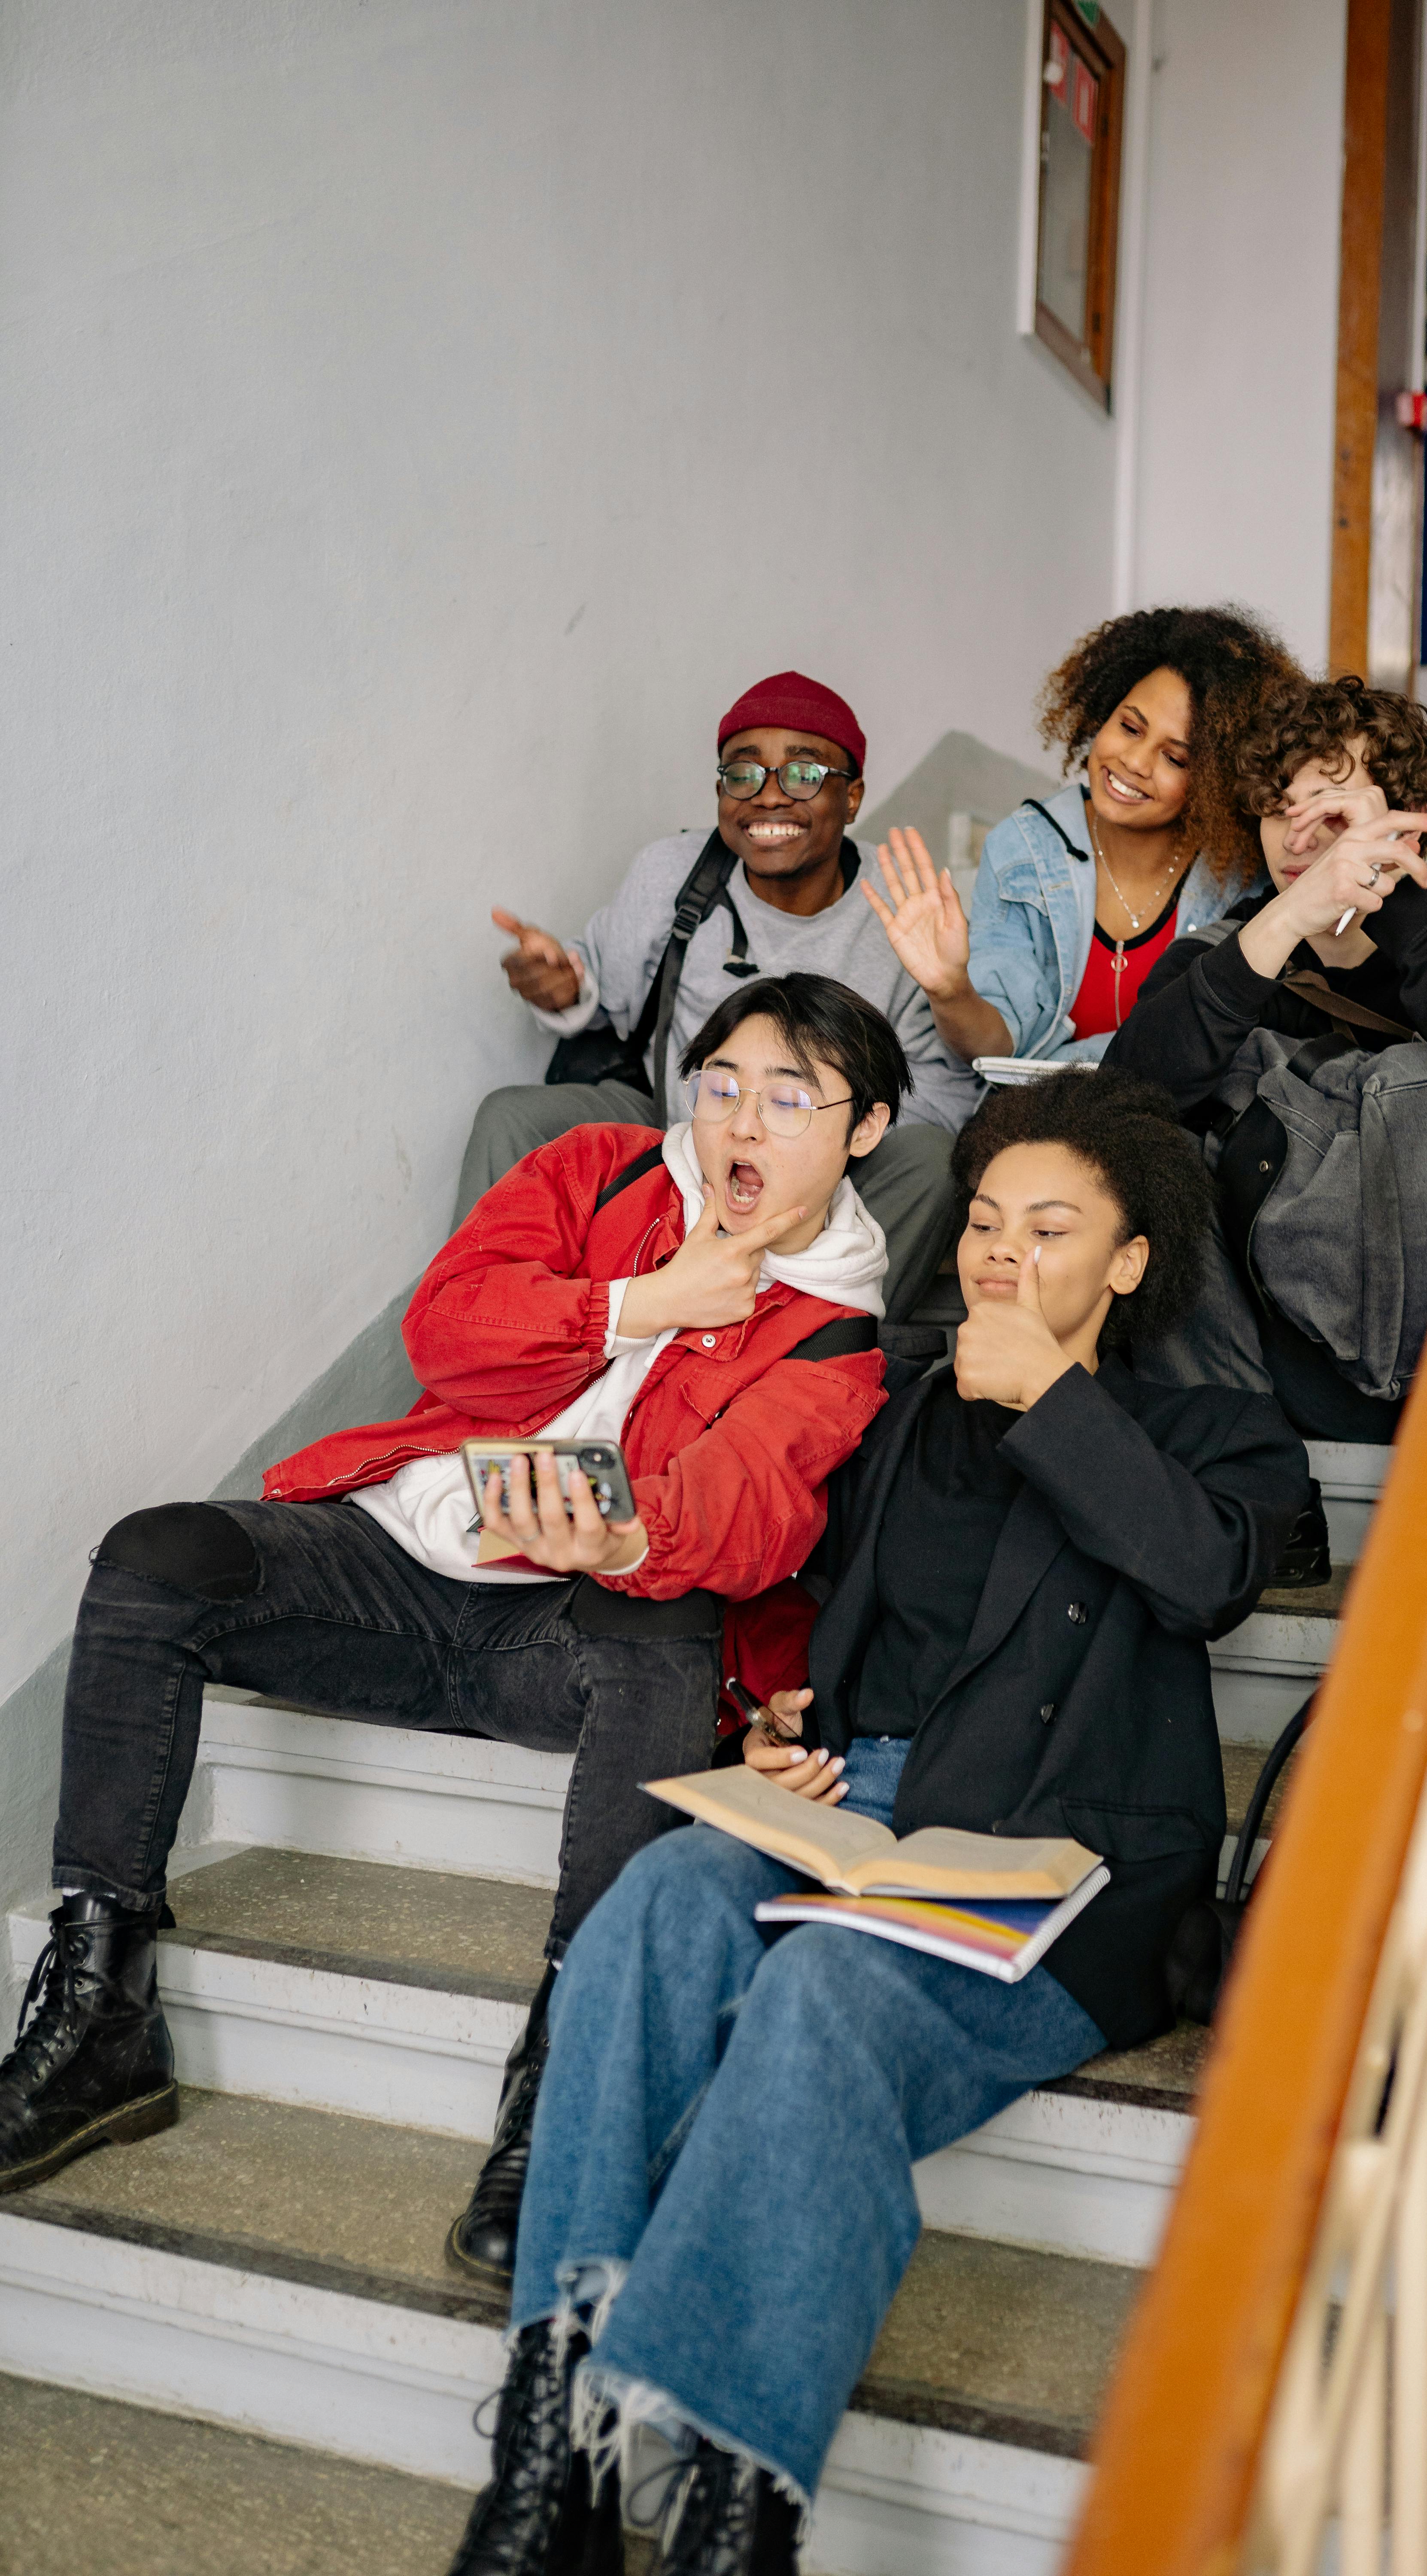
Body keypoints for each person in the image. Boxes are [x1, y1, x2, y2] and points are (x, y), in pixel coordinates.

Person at [445, 1069, 1309, 2576]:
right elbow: (840, 1628)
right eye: (983, 1222)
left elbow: (1205, 1575)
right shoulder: (907, 1415)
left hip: (1056, 1851)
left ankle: (736, 2503)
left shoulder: (1216, 1437)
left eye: (1049, 1230)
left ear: (1128, 1261)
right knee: (653, 1902)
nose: (998, 1254)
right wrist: (789, 1728)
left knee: (826, 1988)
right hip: (862, 1809)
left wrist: (1053, 1397)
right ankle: (556, 2431)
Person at [0, 975, 906, 2300]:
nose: (740, 1121)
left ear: (865, 1127)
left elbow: (757, 1508)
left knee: (663, 1626)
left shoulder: (835, 1326)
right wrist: (635, 1303)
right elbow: (450, 1331)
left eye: (789, 1094)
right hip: (408, 1566)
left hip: (572, 1635)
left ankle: (567, 2102)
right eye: (719, 1082)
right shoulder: (599, 1172)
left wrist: (628, 1533)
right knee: (159, 1558)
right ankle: (100, 2008)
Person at [457, 670, 980, 1322]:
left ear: (853, 798)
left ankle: (824, 1347)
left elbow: (947, 1092)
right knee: (511, 1116)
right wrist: (566, 987)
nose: (767, 797)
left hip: (827, 1163)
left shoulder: (904, 904)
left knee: (930, 1162)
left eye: (804, 774)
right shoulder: (674, 873)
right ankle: (485, 1332)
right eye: (743, 774)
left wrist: (804, 1150)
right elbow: (602, 988)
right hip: (669, 1127)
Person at [1108, 674, 1427, 1441]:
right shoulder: (1229, 949)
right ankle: (1246, 1458)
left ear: (1403, 820)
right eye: (1278, 811)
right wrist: (1281, 927)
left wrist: (1395, 889)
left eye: (1330, 814)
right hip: (1265, 1355)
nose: (1298, 838)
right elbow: (1125, 1101)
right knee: (1141, 1153)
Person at [858, 605, 1297, 1069]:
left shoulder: (1241, 876)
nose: (1135, 762)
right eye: (1129, 727)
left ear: (1215, 780)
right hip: (1041, 1117)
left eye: (1175, 759)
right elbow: (994, 1050)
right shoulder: (1020, 853)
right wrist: (950, 991)